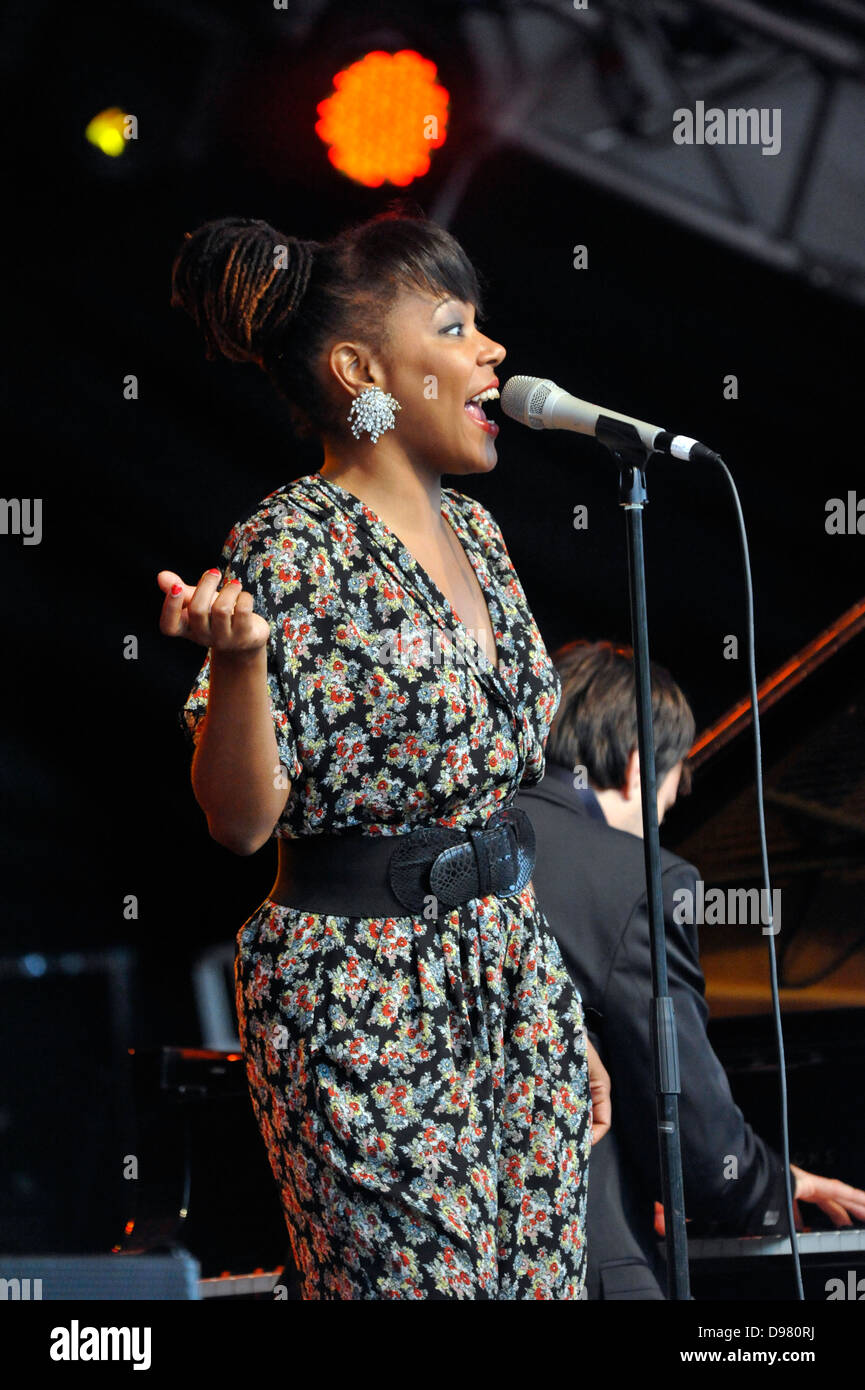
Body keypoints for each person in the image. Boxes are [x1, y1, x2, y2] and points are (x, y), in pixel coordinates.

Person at [156, 208, 610, 1300]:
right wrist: (247, 665)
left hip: (508, 973)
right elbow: (240, 820)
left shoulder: (482, 536)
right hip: (358, 989)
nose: (491, 351)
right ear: (361, 368)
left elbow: (488, 798)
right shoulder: (293, 540)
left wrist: (551, 1008)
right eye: (454, 327)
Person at [516, 639, 865, 1299]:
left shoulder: (445, 848)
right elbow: (700, 1153)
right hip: (572, 1272)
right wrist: (766, 1187)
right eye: (665, 803)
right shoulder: (637, 881)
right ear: (637, 767)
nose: (656, 829)